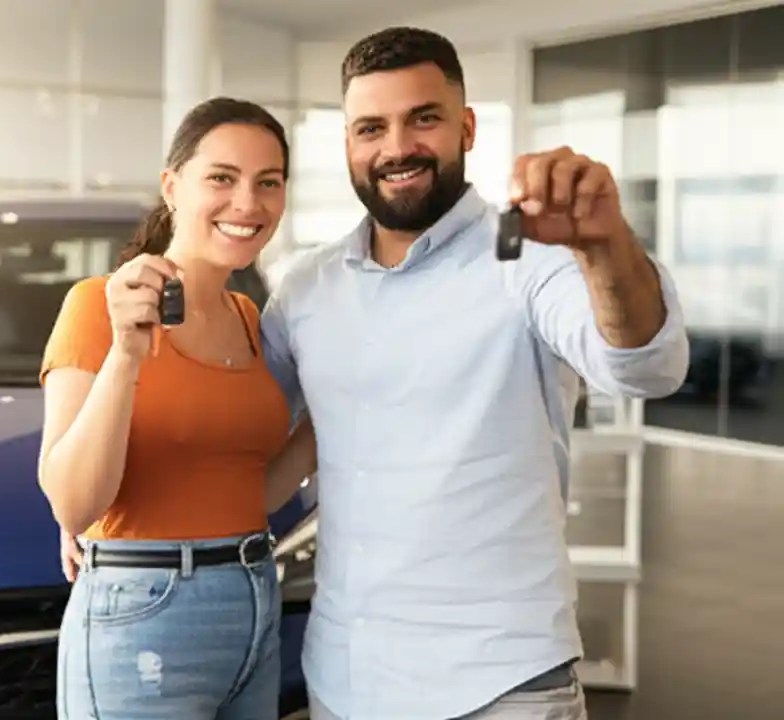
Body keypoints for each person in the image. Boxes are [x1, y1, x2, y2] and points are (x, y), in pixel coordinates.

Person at [258, 27, 690, 720]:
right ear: (347, 145)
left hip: (503, 682)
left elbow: (646, 366)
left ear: (465, 127)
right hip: (348, 677)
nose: (397, 147)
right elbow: (240, 433)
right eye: (372, 127)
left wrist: (605, 245)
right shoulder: (305, 288)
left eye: (422, 118)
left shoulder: (534, 260)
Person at [37, 97, 318, 720]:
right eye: (221, 177)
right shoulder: (96, 307)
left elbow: (253, 491)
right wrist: (126, 358)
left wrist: (333, 414)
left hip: (251, 595)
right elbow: (75, 504)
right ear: (172, 185)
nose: (248, 203)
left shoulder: (249, 319)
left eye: (267, 183)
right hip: (145, 615)